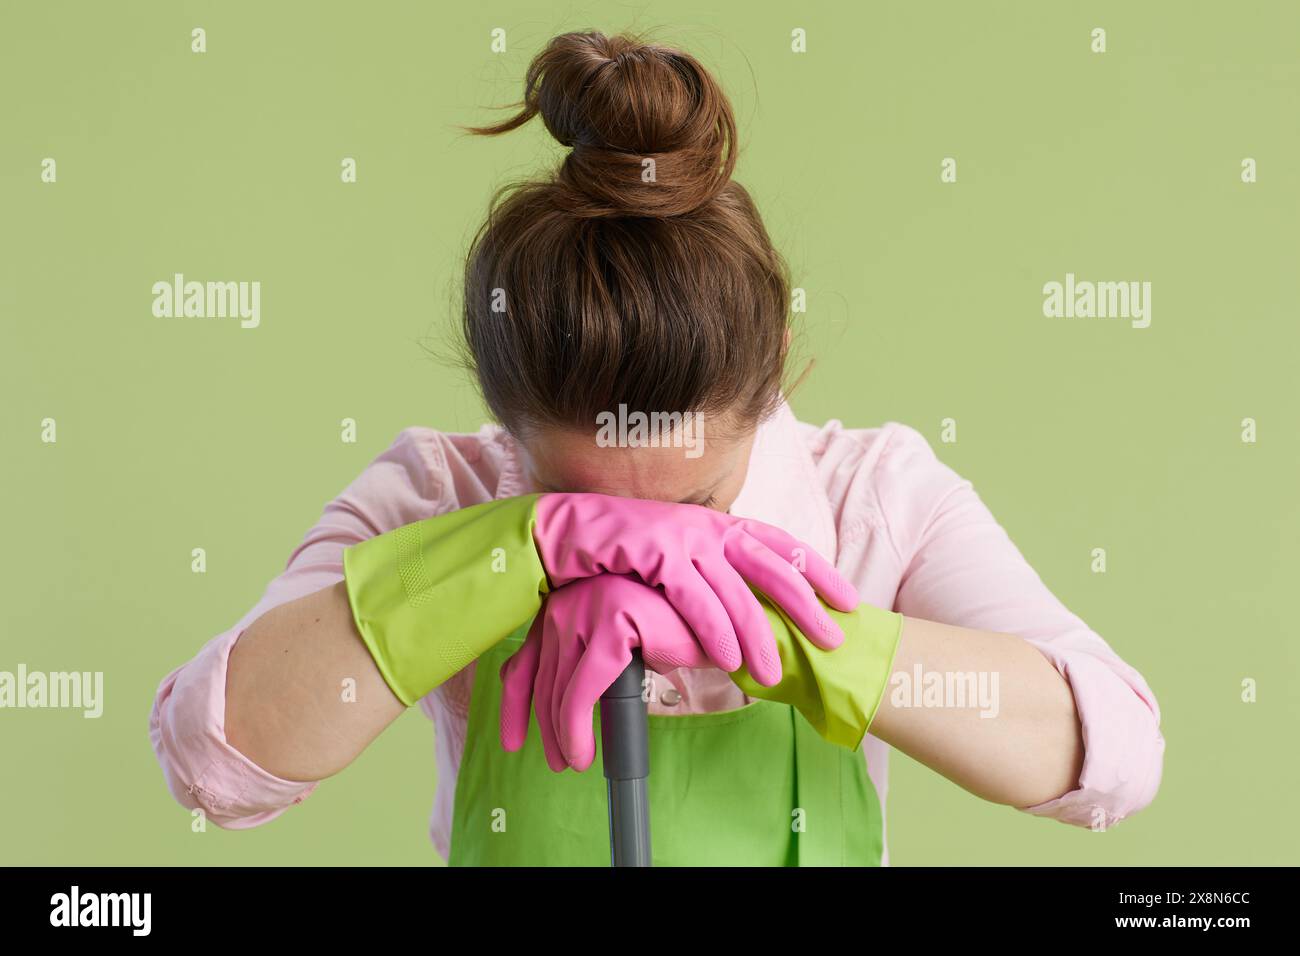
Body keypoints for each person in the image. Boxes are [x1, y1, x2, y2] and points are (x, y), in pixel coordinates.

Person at [149, 31, 1163, 866]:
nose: (642, 541)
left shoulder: (872, 496)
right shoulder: (435, 494)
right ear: (503, 417)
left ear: (774, 374)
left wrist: (777, 621)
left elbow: (1113, 754)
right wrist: (517, 550)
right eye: (582, 501)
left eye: (690, 506)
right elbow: (215, 757)